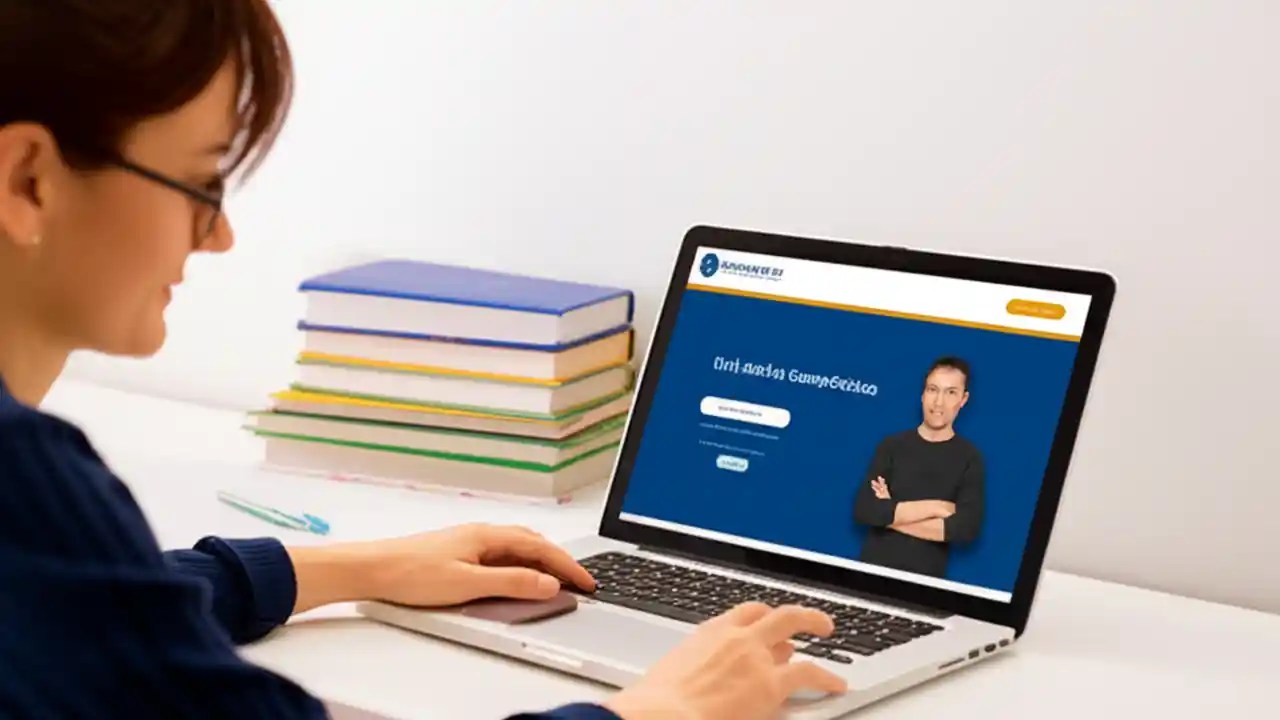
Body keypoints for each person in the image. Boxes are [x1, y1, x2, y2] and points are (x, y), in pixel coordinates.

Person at [0, 1, 848, 718]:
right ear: (28, 180)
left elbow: (80, 607)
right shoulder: (24, 474)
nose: (219, 235)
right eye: (205, 182)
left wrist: (360, 566)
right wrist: (654, 713)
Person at [852, 356, 985, 578]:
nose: (938, 402)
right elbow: (865, 510)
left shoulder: (970, 458)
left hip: (923, 586)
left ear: (963, 399)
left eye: (951, 392)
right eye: (933, 390)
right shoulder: (892, 446)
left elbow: (965, 529)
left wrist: (890, 515)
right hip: (868, 575)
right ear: (923, 394)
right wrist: (936, 507)